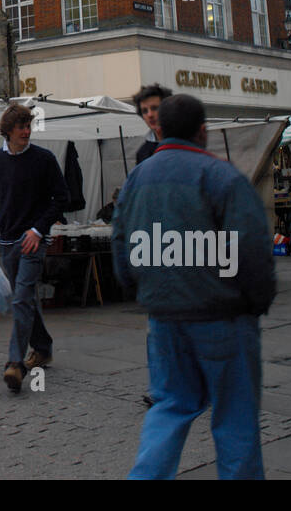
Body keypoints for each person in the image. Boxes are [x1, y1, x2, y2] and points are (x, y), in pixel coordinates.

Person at [112, 94, 276, 479]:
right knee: (235, 415)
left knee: (170, 405)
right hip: (222, 314)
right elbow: (251, 248)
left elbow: (121, 241)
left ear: (160, 129)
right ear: (202, 132)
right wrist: (257, 300)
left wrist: (139, 287)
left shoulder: (137, 178)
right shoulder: (222, 176)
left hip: (164, 316)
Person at [0, 104, 70, 393]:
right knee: (26, 298)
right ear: (8, 131)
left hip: (33, 240)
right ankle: (42, 348)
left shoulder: (44, 159)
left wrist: (38, 229)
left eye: (29, 126)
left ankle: (15, 364)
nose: (27, 132)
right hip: (6, 241)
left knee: (20, 299)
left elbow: (62, 198)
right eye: (21, 127)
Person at [129, 83, 172, 169]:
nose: (150, 115)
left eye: (154, 108)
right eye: (145, 111)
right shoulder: (143, 152)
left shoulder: (186, 142)